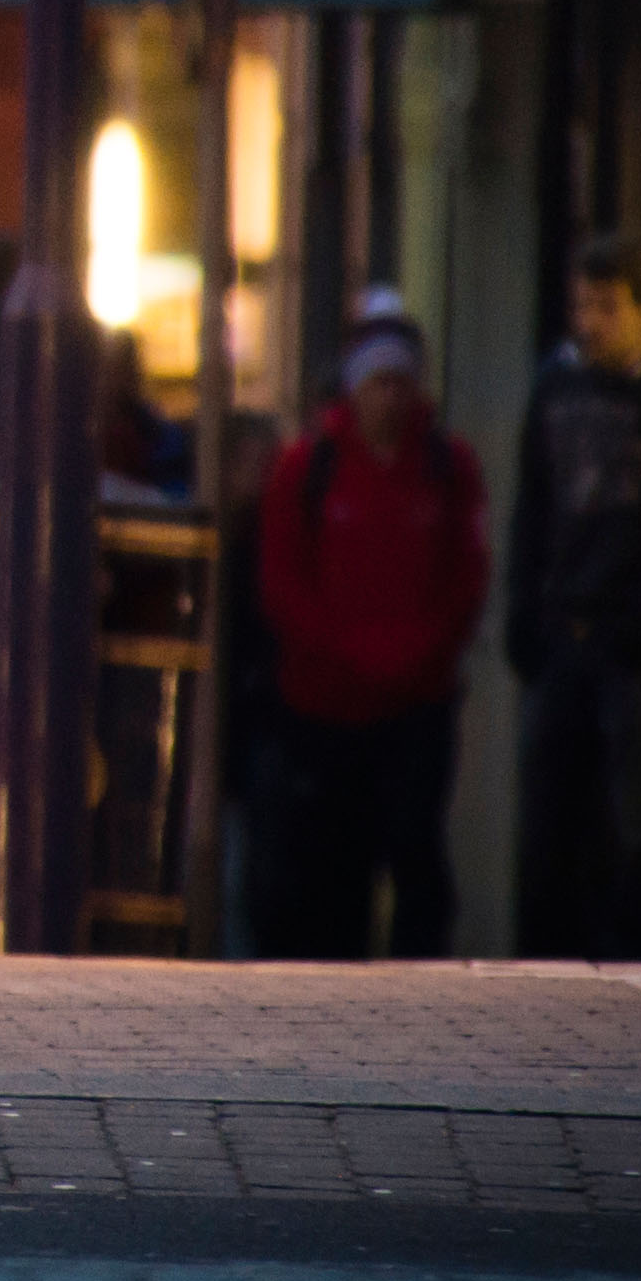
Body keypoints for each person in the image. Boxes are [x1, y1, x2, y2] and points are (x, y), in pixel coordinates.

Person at [250, 287, 487, 959]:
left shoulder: (448, 468)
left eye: (400, 383)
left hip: (417, 705)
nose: (389, 398)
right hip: (326, 708)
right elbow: (282, 581)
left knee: (415, 852)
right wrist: (347, 653)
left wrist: (420, 653)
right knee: (332, 868)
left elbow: (467, 575)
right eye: (378, 383)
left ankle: (418, 979)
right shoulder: (307, 468)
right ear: (355, 389)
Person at [510, 232, 641, 957]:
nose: (590, 324)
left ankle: (636, 953)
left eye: (608, 307)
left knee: (635, 816)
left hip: (636, 633)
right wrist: (526, 612)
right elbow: (532, 506)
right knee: (551, 811)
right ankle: (547, 957)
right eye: (582, 306)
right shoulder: (556, 385)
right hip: (563, 624)